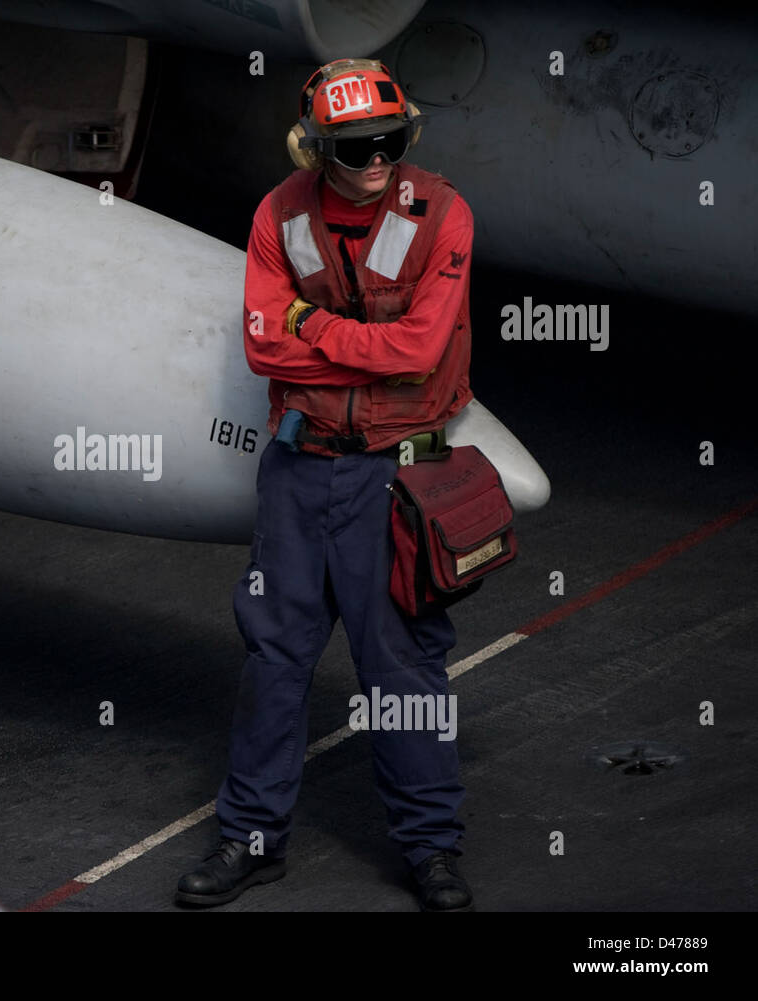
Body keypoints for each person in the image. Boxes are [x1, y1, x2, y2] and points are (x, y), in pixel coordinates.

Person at [175, 59, 476, 911]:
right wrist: (339, 341)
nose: (376, 160)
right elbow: (264, 346)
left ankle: (430, 851)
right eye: (355, 148)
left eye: (388, 141)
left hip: (397, 476)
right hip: (300, 472)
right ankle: (252, 840)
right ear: (316, 147)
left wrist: (311, 322)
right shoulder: (279, 212)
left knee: (404, 670)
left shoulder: (443, 215)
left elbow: (421, 351)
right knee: (275, 660)